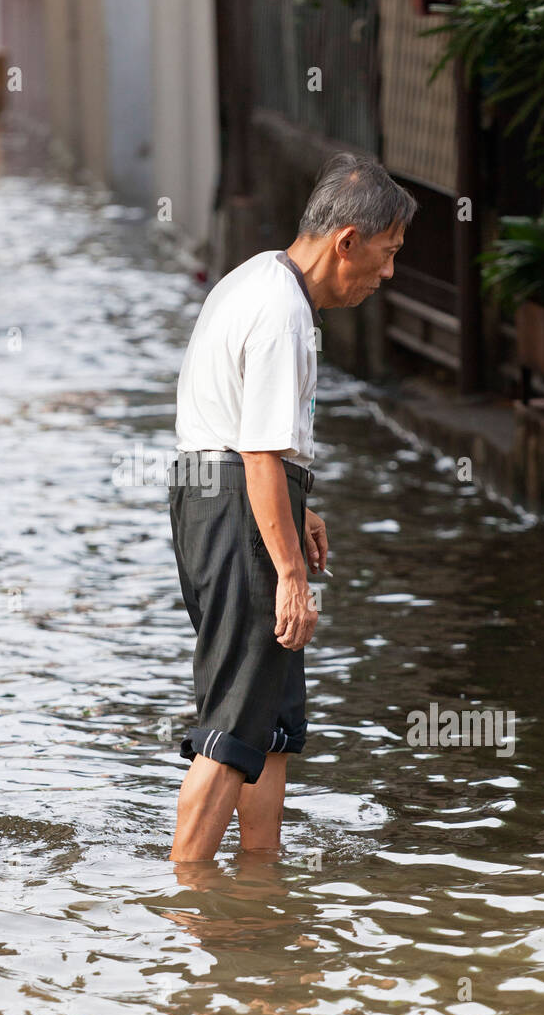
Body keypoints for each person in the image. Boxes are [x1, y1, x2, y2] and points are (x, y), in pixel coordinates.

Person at [168, 153, 418, 862]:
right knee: (236, 719)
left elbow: (252, 440)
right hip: (235, 507)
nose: (388, 273)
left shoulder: (260, 279)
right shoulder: (281, 311)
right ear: (347, 241)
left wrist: (296, 504)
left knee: (271, 723)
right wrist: (288, 572)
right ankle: (187, 902)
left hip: (219, 498)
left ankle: (257, 883)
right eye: (387, 253)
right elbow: (255, 454)